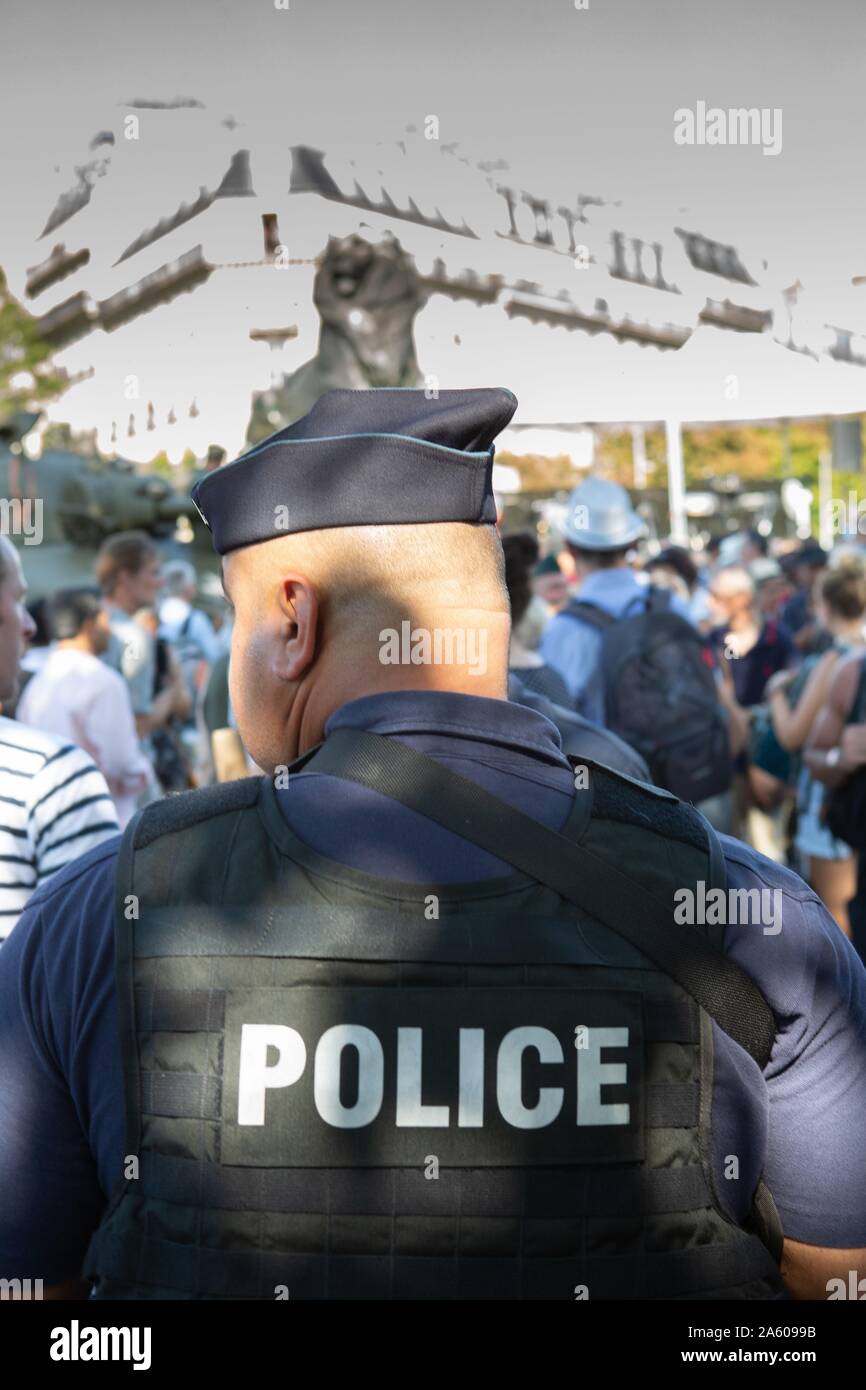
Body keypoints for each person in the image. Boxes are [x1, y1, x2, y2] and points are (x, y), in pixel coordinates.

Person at [1, 389, 865, 1303]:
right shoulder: (758, 921)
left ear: (292, 621)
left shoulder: (100, 920)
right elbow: (836, 1282)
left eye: (237, 614)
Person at [0, 540, 119, 941]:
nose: (30, 625)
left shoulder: (43, 680)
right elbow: (82, 964)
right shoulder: (56, 777)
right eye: (17, 599)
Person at [766, 556, 866, 934]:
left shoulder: (837, 661)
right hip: (844, 810)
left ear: (825, 606)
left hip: (831, 812)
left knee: (837, 921)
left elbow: (793, 735)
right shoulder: (849, 660)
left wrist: (775, 693)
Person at [17, 588, 155, 828]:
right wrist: (144, 771)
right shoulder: (104, 681)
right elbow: (123, 763)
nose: (110, 629)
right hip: (102, 823)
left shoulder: (40, 679)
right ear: (92, 623)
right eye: (107, 618)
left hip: (47, 819)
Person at [95, 532, 173, 745]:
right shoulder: (134, 636)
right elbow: (137, 727)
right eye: (153, 573)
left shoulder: (88, 622)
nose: (161, 582)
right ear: (125, 578)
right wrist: (171, 694)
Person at [158, 558, 222, 702]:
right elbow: (215, 656)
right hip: (187, 695)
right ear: (188, 589)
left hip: (160, 694)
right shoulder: (196, 619)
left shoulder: (155, 615)